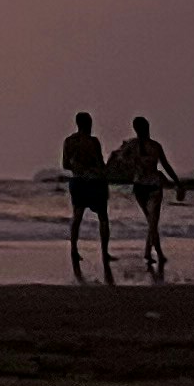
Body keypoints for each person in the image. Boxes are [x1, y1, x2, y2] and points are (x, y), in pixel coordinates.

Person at [113, 116, 185, 280]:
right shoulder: (132, 145)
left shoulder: (155, 146)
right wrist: (132, 162)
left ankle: (153, 252)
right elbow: (119, 159)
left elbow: (165, 164)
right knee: (151, 220)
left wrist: (177, 182)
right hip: (139, 186)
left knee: (153, 220)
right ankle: (153, 252)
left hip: (154, 185)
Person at [62, 110, 114, 284]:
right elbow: (100, 163)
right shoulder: (93, 142)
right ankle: (104, 251)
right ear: (88, 124)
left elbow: (65, 164)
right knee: (103, 217)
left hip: (77, 180)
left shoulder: (69, 141)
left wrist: (78, 167)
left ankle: (74, 248)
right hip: (93, 181)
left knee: (77, 215)